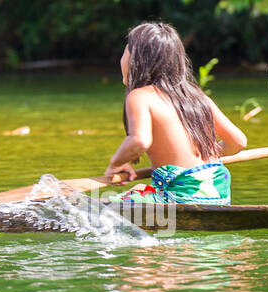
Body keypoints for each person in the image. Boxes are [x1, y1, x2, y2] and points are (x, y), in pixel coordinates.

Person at [103, 21, 247, 204]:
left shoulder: (140, 96)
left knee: (102, 210)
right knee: (139, 190)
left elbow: (139, 141)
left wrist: (115, 164)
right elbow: (239, 141)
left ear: (136, 60)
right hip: (218, 193)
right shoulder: (197, 96)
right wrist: (198, 161)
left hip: (182, 196)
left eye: (125, 52)